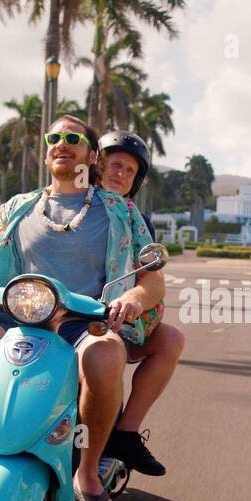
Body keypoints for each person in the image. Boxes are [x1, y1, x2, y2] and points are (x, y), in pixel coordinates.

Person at [0, 115, 162, 501]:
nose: (61, 144)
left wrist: (131, 298)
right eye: (53, 137)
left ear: (91, 156)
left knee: (107, 355)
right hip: (15, 314)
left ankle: (88, 473)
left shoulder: (120, 209)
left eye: (73, 138)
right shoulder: (16, 208)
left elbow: (152, 282)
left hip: (82, 320)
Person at [96, 130, 186, 477]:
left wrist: (133, 299)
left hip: (116, 318)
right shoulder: (71, 206)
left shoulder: (137, 220)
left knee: (172, 340)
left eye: (129, 171)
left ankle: (125, 434)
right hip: (58, 313)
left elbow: (151, 277)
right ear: (97, 165)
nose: (120, 173)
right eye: (115, 165)